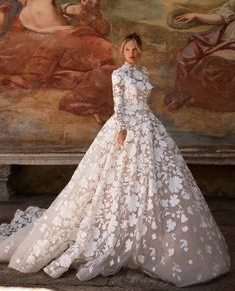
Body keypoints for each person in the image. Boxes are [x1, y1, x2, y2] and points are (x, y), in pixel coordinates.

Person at [0, 33, 231, 287]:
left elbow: (145, 103)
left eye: (135, 49)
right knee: (116, 178)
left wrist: (147, 126)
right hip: (126, 127)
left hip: (148, 126)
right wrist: (122, 129)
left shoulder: (144, 73)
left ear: (140, 51)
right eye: (127, 49)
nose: (131, 53)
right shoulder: (118, 74)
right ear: (123, 51)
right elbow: (118, 104)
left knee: (159, 179)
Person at [164, 0, 235, 112]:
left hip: (232, 45)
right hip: (220, 38)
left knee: (211, 64)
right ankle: (182, 95)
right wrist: (196, 16)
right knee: (188, 53)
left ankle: (196, 99)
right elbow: (224, 16)